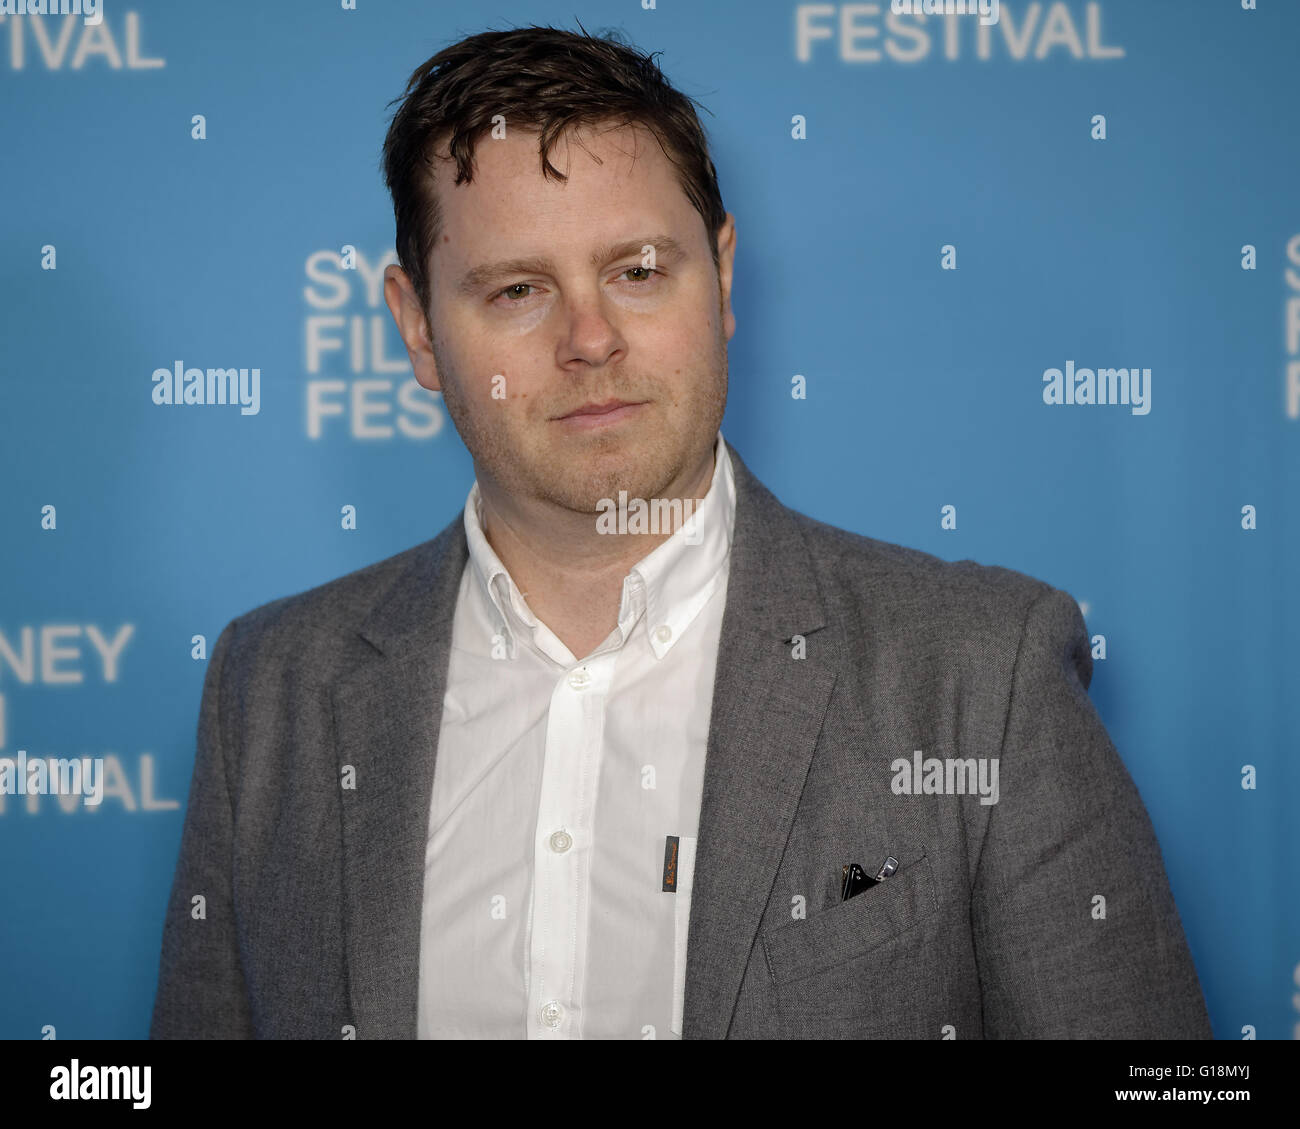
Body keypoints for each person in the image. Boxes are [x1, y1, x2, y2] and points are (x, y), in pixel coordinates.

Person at [150, 24, 1212, 1040]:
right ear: (418, 326)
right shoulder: (271, 688)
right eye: (518, 289)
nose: (591, 339)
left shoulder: (981, 676)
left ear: (724, 275)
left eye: (639, 271)